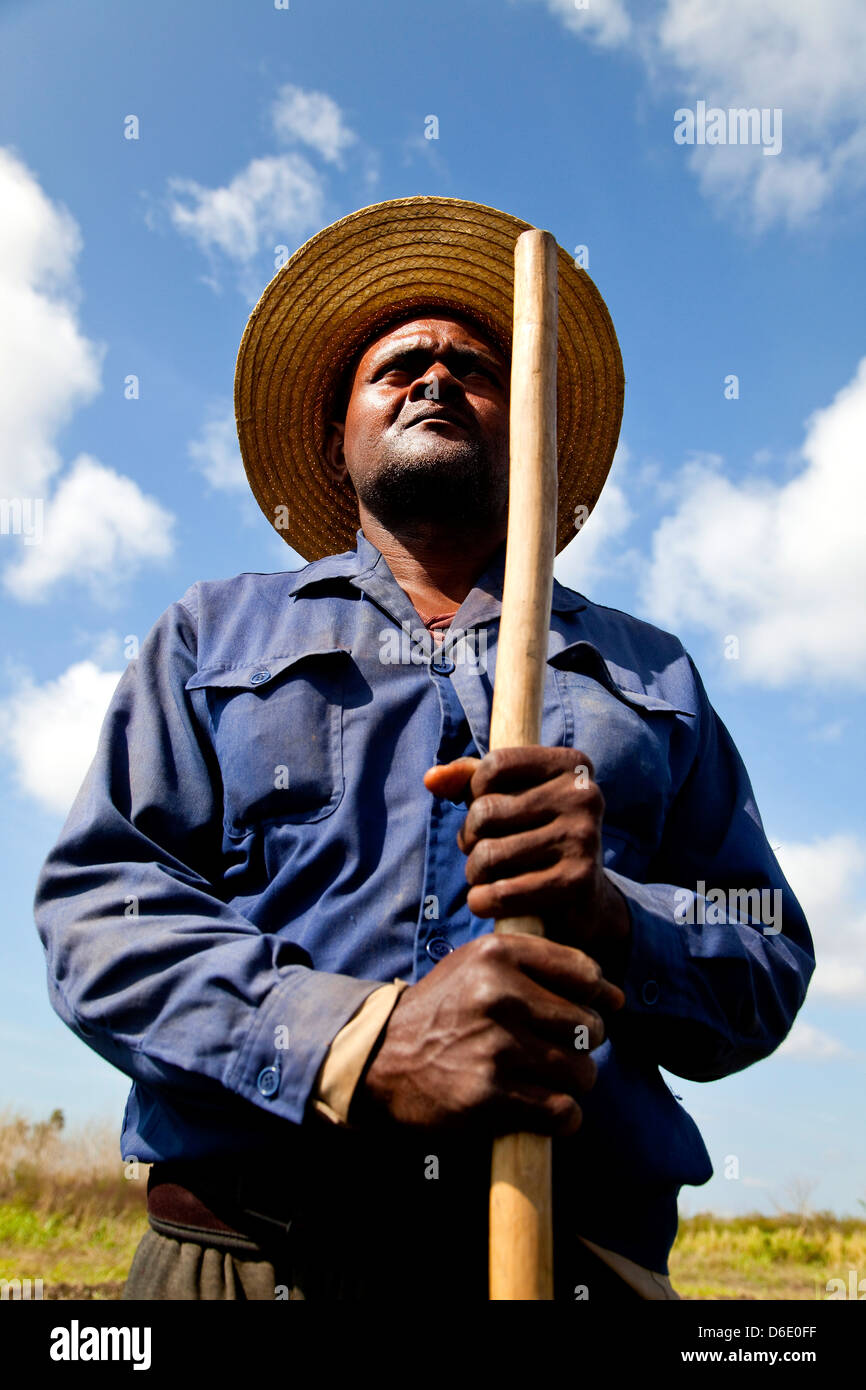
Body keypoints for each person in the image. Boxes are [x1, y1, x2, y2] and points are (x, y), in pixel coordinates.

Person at [34, 196, 814, 1302]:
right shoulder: (211, 634)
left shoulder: (652, 674)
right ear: (335, 436)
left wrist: (611, 918)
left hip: (573, 1262)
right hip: (248, 1258)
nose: (436, 378)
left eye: (474, 367)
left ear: (524, 428)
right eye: (395, 365)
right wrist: (360, 1042)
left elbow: (764, 958)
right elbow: (99, 917)